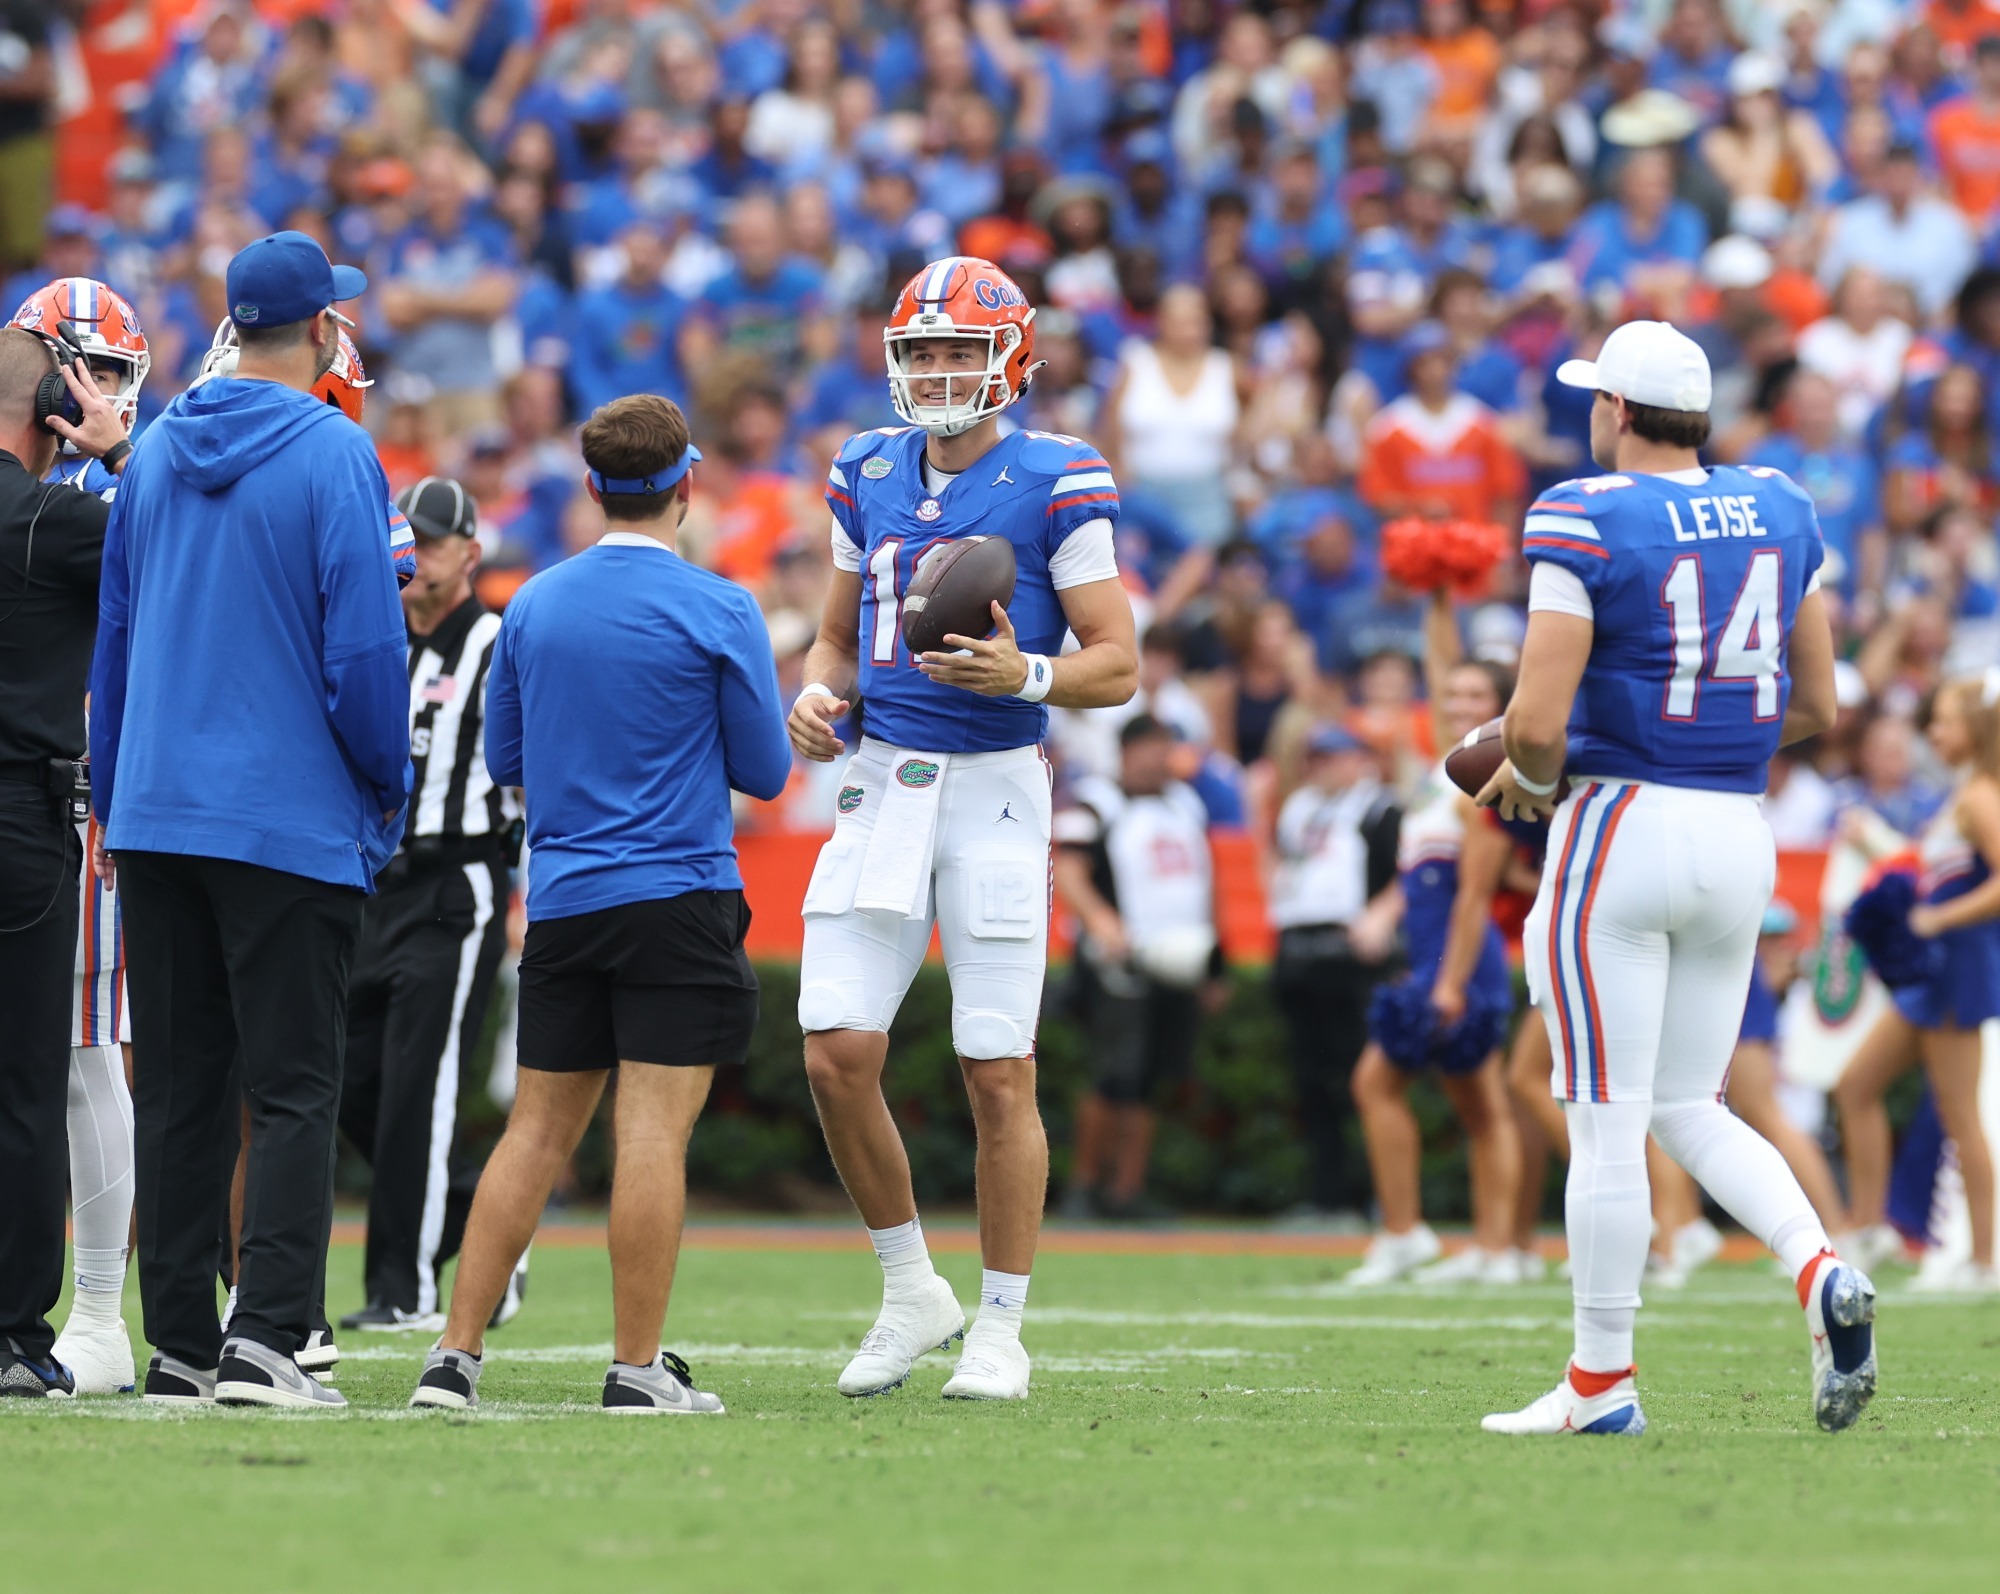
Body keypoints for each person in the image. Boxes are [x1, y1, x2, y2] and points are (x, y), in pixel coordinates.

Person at [1477, 319, 1871, 1438]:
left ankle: (1600, 1382)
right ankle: (1816, 1268)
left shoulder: (1584, 511)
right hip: (1734, 827)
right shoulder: (1777, 506)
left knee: (1605, 1121)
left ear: (1613, 410)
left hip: (1618, 822)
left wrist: (1523, 772)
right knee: (1687, 1107)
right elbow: (1816, 707)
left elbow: (1537, 721)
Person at [787, 256, 1138, 1402]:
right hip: (881, 781)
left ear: (1012, 359)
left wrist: (1022, 671)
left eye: (958, 350)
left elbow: (1115, 662)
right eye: (921, 352)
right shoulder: (863, 466)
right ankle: (908, 1286)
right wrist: (816, 690)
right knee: (836, 1051)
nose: (938, 371)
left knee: (997, 1067)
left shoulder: (1057, 474)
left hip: (993, 784)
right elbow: (837, 638)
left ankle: (999, 1322)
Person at [410, 395, 789, 1415]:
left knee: (532, 1131)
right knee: (651, 1136)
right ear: (685, 483)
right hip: (677, 892)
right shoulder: (720, 606)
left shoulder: (529, 602)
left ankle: (452, 1355)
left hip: (566, 896)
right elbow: (763, 766)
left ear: (591, 487)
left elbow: (507, 759)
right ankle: (635, 1368)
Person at [90, 231, 410, 1412]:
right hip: (285, 818)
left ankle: (177, 1340)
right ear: (323, 329)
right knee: (290, 1087)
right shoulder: (337, 453)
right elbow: (366, 652)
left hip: (158, 809)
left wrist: (119, 801)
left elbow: (114, 650)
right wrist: (386, 782)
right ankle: (269, 1337)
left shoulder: (161, 447)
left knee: (176, 1087)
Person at [5, 277, 152, 1395]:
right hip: (59, 791)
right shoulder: (77, 516)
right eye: (85, 374)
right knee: (64, 1054)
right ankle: (83, 1310)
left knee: (81, 1050)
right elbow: (175, 553)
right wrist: (119, 455)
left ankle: (98, 1308)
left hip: (93, 784)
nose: (100, 397)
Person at [338, 476, 522, 1333]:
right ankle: (491, 1222)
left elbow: (530, 764)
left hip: (459, 881)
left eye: (437, 541)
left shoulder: (496, 640)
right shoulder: (371, 634)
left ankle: (403, 1291)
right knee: (347, 1081)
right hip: (373, 882)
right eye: (409, 539)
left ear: (470, 553)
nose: (421, 555)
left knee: (422, 1083)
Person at [1347, 589, 1525, 1287]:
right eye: (1450, 694)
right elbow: (1442, 664)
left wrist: (1449, 982)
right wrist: (1439, 592)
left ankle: (1425, 1236)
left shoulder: (1489, 771)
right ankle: (1486, 1248)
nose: (1455, 703)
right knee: (1476, 1104)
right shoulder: (1451, 761)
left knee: (1384, 1083)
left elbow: (1478, 888)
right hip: (1434, 951)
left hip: (1458, 955)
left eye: (1475, 694)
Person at [1833, 673, 2000, 1293]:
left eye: (1946, 722)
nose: (1934, 732)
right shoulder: (1962, 792)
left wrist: (1935, 917)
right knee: (1856, 1086)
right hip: (1930, 975)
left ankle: (1984, 1263)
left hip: (1956, 971)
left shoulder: (1982, 795)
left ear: (1978, 730)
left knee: (1960, 1115)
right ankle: (1871, 1225)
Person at [1053, 714, 1222, 1221]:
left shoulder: (1186, 804)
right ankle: (1084, 1187)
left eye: (1165, 747)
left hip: (1181, 956)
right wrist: (1102, 920)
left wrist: (1216, 961)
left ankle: (1127, 1190)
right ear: (1126, 752)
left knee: (1153, 1078)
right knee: (1113, 1075)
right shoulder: (1095, 801)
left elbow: (1204, 881)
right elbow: (1069, 869)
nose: (1157, 758)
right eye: (1148, 747)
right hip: (1118, 962)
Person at [1266, 724, 1402, 1226]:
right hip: (1301, 948)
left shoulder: (1379, 807)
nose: (1323, 767)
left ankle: (1375, 1195)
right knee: (1312, 1082)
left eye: (1334, 758)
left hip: (1353, 953)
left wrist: (1383, 916)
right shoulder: (1300, 807)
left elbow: (1408, 871)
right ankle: (1327, 1195)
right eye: (1317, 758)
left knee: (1361, 1079)